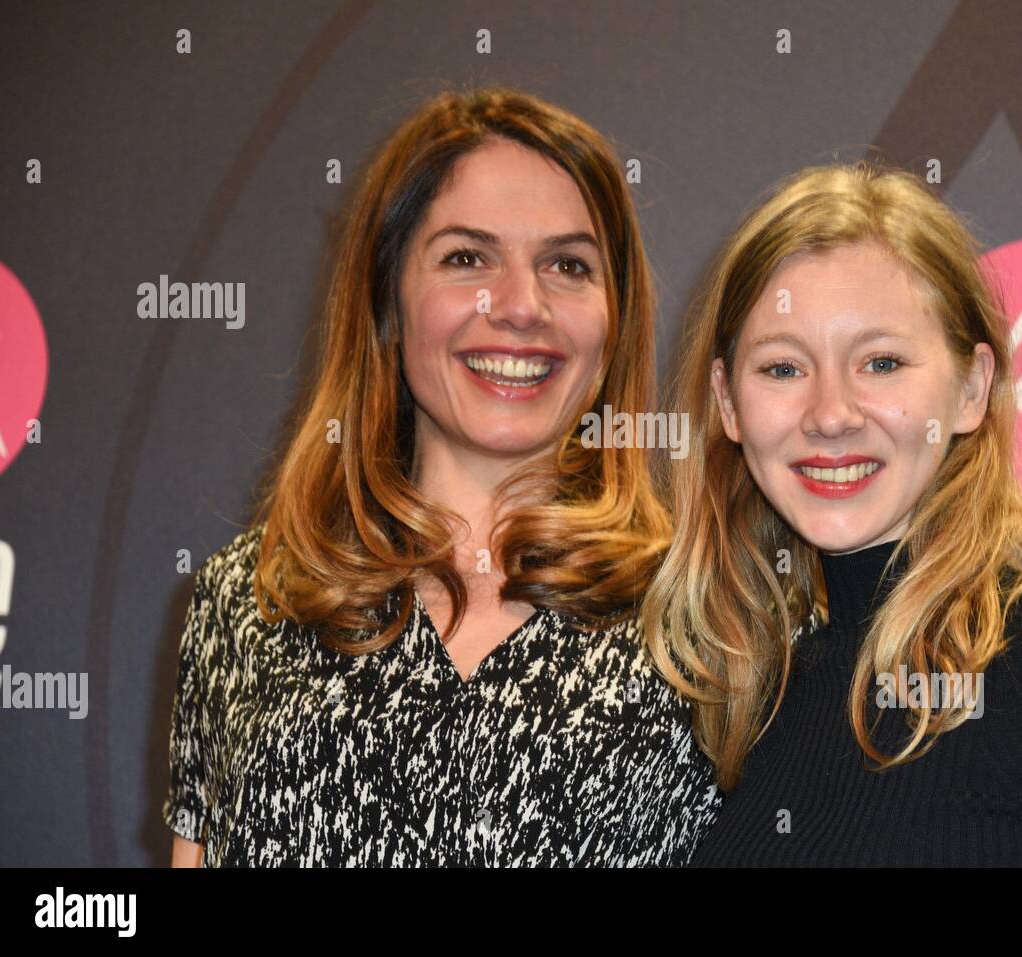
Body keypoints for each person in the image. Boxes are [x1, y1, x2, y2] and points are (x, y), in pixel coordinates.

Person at [163, 86, 719, 867]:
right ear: (388, 301)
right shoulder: (248, 598)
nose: (522, 306)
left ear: (615, 316)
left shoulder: (705, 613)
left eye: (568, 264)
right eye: (467, 257)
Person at [641, 161, 1022, 866]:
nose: (830, 414)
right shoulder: (751, 706)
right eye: (783, 368)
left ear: (974, 388)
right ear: (728, 403)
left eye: (882, 362)